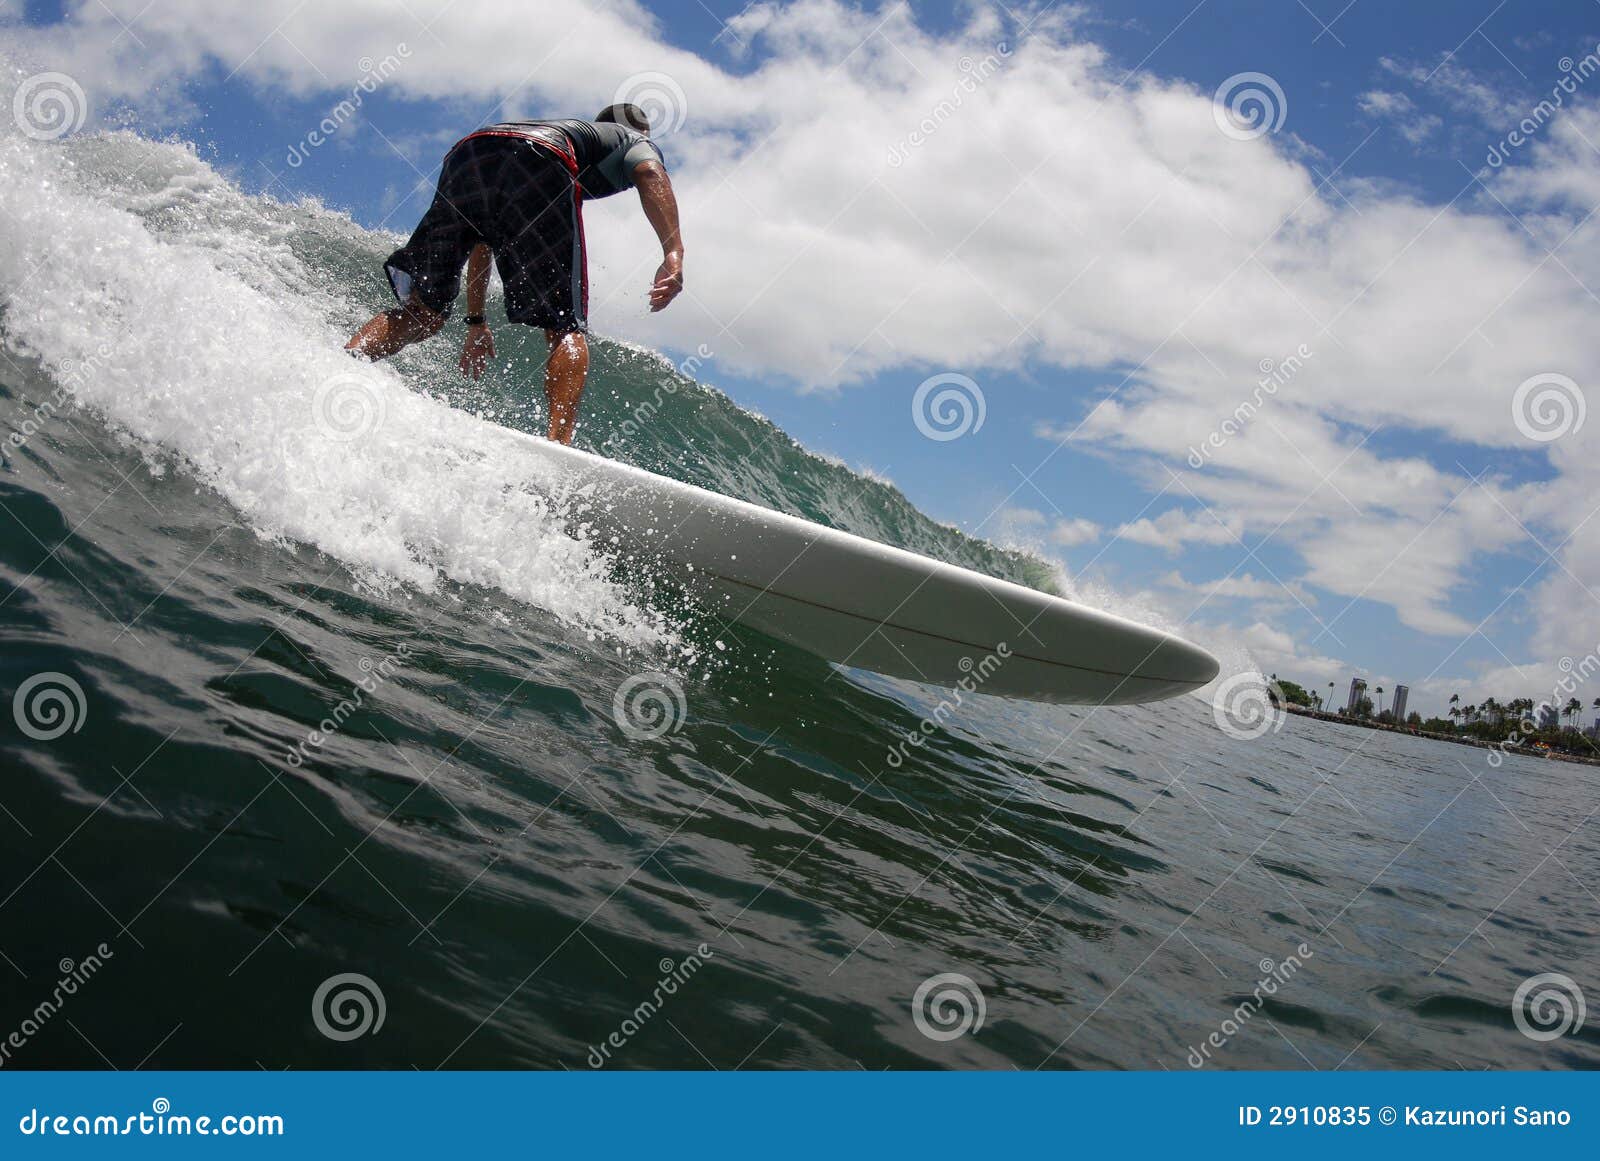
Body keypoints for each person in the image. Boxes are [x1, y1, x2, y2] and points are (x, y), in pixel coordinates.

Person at [346, 103, 684, 444]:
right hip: (542, 154)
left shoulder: (579, 136)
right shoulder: (632, 138)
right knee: (564, 326)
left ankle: (345, 363)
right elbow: (649, 172)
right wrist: (673, 252)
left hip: (468, 154)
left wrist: (476, 321)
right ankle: (559, 444)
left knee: (424, 313)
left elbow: (484, 240)